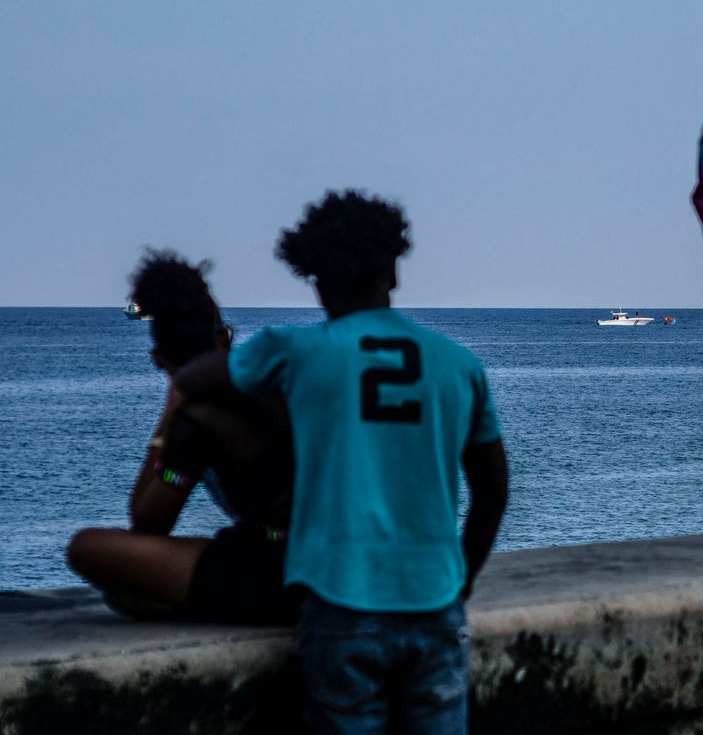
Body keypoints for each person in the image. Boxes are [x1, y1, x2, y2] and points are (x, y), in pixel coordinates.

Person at [169, 190, 509, 733]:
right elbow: (492, 490)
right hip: (435, 601)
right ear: (392, 273)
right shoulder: (460, 365)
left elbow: (191, 382)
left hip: (340, 600)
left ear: (316, 279)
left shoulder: (293, 350)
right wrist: (461, 576)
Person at [66, 250, 296, 624]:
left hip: (283, 570)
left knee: (88, 548)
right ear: (224, 337)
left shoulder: (198, 422)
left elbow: (148, 522)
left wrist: (171, 412)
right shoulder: (276, 383)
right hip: (326, 550)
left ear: (159, 358)